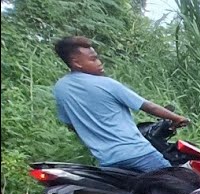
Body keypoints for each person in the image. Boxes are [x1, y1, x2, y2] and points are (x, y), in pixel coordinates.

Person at [52, 36, 190, 173]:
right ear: (77, 63)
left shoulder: (61, 88)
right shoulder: (107, 84)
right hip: (138, 153)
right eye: (93, 59)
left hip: (107, 161)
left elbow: (71, 125)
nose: (99, 62)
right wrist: (177, 118)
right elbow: (148, 106)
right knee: (179, 183)